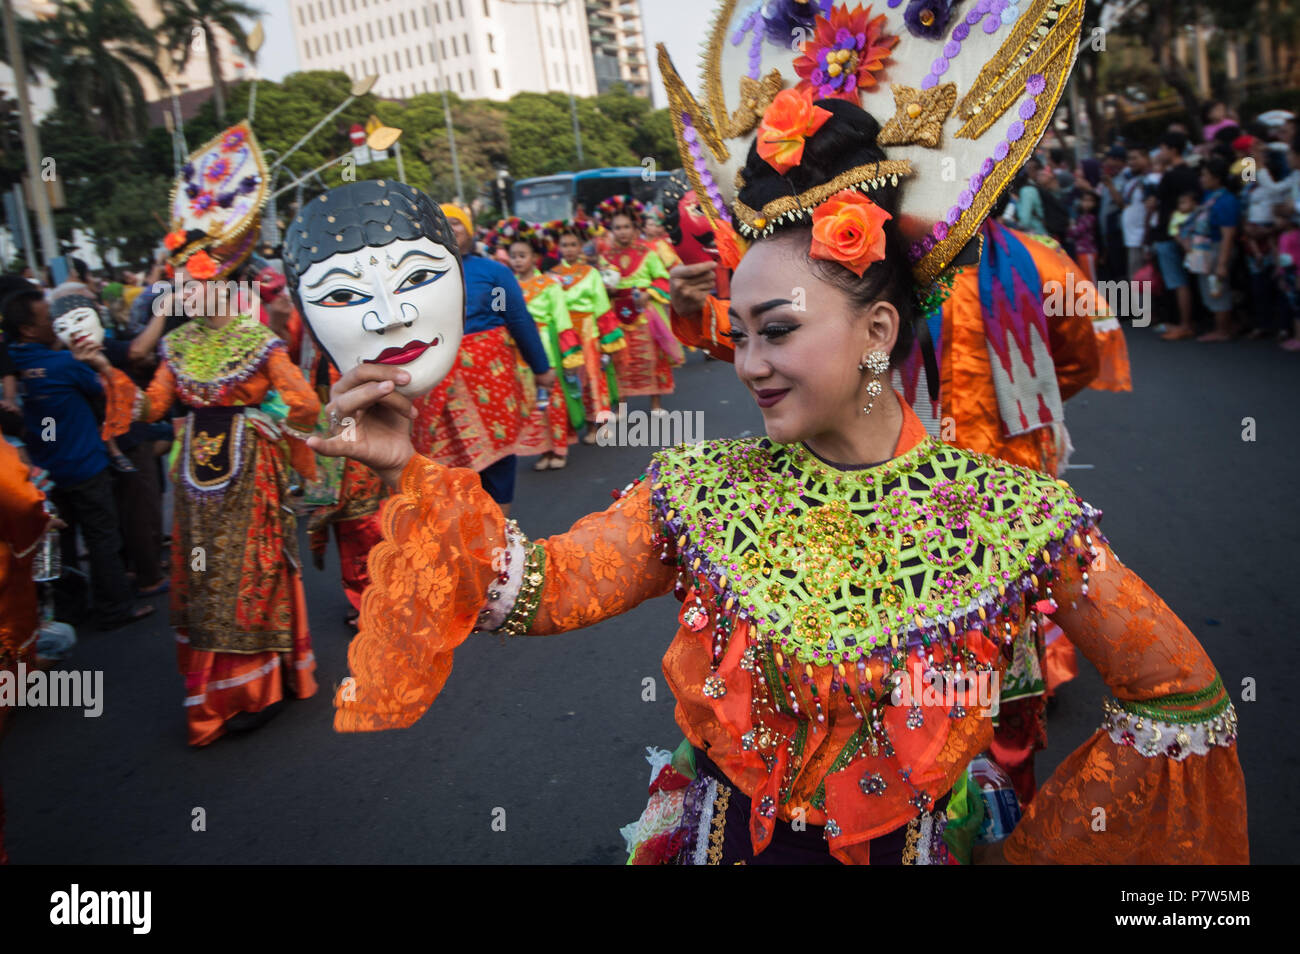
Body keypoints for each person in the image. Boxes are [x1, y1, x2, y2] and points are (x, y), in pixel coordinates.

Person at [312, 84, 1244, 864]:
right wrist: (411, 466)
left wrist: (1046, 848)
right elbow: (539, 591)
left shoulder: (1016, 515)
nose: (747, 361)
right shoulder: (699, 488)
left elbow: (1182, 695)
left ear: (879, 332)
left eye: (779, 330)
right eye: (742, 329)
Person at [89, 120, 321, 746]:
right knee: (209, 575)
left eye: (195, 285)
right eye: (181, 287)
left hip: (248, 472)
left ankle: (260, 686)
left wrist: (267, 427)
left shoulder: (257, 341)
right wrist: (105, 368)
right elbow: (150, 411)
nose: (187, 295)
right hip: (197, 482)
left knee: (254, 569)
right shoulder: (179, 346)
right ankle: (219, 693)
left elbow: (303, 403)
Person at [2, 278, 153, 630]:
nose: (55, 326)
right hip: (83, 466)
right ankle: (114, 607)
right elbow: (103, 388)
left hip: (45, 469)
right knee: (103, 538)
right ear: (27, 329)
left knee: (63, 541)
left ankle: (70, 610)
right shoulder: (63, 365)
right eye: (47, 320)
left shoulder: (16, 366)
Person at [407, 204, 554, 519]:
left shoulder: (492, 272)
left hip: (490, 377)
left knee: (498, 458)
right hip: (436, 378)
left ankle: (498, 532)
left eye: (454, 224)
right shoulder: (413, 276)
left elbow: (517, 319)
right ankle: (461, 532)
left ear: (469, 231)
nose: (448, 230)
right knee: (444, 464)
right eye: (439, 225)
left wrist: (542, 368)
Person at [498, 220, 585, 471]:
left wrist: (570, 355)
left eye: (522, 255)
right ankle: (543, 449)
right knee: (531, 404)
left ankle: (559, 448)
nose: (517, 260)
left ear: (535, 257)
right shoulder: (503, 287)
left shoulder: (550, 284)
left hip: (545, 347)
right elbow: (498, 318)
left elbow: (562, 319)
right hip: (516, 351)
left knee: (553, 400)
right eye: (513, 256)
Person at [595, 196, 684, 415]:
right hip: (616, 312)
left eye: (626, 226)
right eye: (617, 228)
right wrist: (606, 290)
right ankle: (621, 407)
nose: (622, 231)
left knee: (651, 357)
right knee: (620, 360)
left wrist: (650, 293)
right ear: (611, 230)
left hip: (645, 311)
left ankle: (655, 404)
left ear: (635, 227)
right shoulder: (606, 256)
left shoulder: (648, 253)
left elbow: (663, 278)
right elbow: (599, 285)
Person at [545, 219, 625, 444]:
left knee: (594, 375)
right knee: (574, 378)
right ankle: (585, 424)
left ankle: (601, 423)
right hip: (565, 331)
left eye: (573, 244)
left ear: (581, 247)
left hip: (588, 329)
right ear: (558, 248)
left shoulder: (590, 273)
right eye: (564, 245)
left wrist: (607, 337)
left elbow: (601, 305)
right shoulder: (551, 275)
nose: (569, 249)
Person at [1184, 157, 1241, 342]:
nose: (1202, 179)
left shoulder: (1226, 201)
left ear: (1216, 178)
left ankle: (1222, 330)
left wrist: (1222, 263)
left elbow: (1228, 235)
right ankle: (1224, 326)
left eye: (1205, 175)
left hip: (1216, 249)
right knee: (1211, 288)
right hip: (1205, 249)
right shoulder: (1210, 197)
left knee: (1217, 289)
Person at [1153, 131, 1204, 340]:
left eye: (1163, 148)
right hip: (1190, 232)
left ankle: (1184, 324)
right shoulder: (1191, 173)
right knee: (1188, 279)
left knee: (1177, 280)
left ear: (1172, 150)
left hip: (1170, 234)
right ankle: (1186, 321)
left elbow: (1158, 202)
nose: (1160, 152)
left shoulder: (1171, 175)